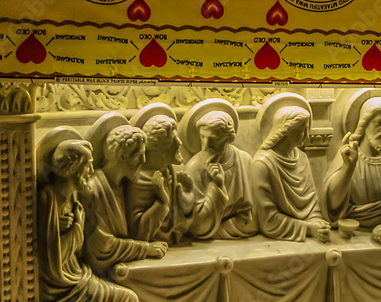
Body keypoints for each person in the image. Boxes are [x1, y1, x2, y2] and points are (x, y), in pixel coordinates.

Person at [38, 138, 147, 302]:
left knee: (125, 294)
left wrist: (78, 221)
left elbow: (80, 246)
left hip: (76, 274)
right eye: (87, 166)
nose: (90, 172)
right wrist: (76, 228)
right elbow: (50, 257)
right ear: (73, 168)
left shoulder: (74, 197)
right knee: (127, 300)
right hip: (60, 284)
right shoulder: (49, 198)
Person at [323, 96, 381, 244]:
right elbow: (332, 207)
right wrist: (348, 167)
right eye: (379, 123)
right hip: (354, 238)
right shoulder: (348, 154)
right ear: (364, 124)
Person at [82, 124, 168, 277]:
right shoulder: (95, 190)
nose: (144, 160)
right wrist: (145, 249)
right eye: (139, 154)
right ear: (122, 156)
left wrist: (162, 203)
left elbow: (139, 234)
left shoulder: (123, 186)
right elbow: (102, 246)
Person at [251, 105, 329, 242]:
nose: (307, 135)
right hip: (275, 242)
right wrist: (308, 229)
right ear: (286, 130)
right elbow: (268, 220)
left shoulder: (302, 158)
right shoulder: (262, 164)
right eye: (302, 130)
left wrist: (318, 222)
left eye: (308, 129)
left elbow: (312, 202)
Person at [126, 113, 198, 245]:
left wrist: (186, 193)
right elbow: (139, 234)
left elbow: (182, 220)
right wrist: (161, 203)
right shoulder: (138, 180)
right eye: (172, 141)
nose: (179, 143)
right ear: (155, 147)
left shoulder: (173, 170)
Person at [185, 110, 257, 239]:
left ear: (229, 138)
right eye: (203, 137)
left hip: (244, 231)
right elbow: (198, 226)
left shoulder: (244, 160)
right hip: (210, 236)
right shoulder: (194, 168)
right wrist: (216, 186)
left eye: (214, 138)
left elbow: (253, 216)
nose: (206, 145)